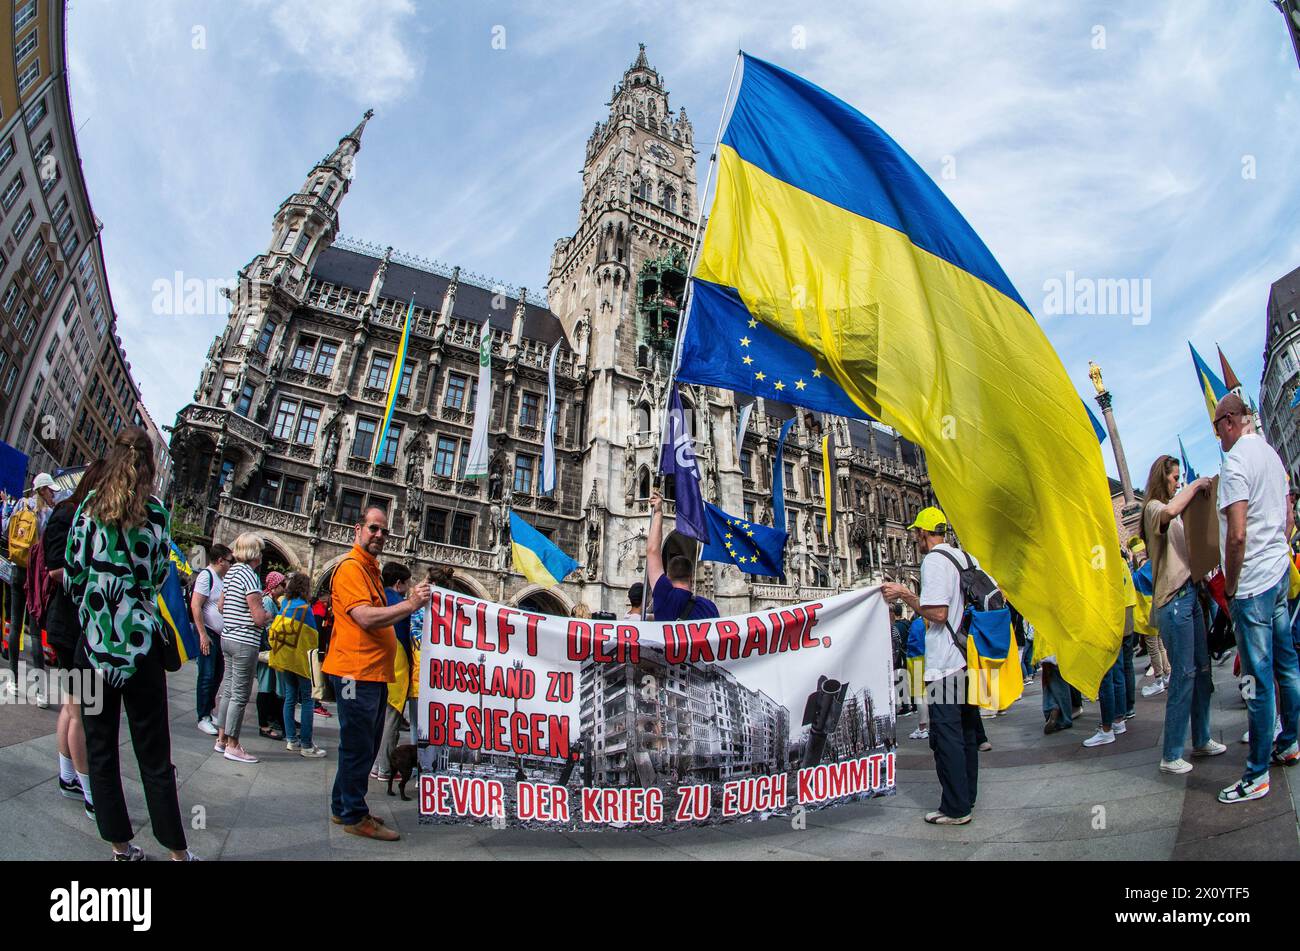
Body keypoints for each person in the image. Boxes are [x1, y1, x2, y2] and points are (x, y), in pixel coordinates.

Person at [64, 427, 197, 860]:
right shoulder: (156, 514)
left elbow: (73, 573)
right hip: (139, 648)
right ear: (149, 465)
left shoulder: (88, 507)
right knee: (155, 755)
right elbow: (159, 576)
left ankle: (122, 850)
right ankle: (178, 854)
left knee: (100, 749)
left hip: (94, 647)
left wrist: (96, 605)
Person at [323, 506, 430, 840]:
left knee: (363, 744)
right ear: (358, 530)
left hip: (372, 672)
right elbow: (366, 618)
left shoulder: (370, 570)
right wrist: (411, 605)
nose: (380, 535)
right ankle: (354, 815)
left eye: (384, 531)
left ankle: (345, 807)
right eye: (374, 528)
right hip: (355, 672)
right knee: (359, 745)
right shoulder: (352, 568)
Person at [1213, 393, 1300, 803]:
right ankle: (1291, 741)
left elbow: (1238, 532)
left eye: (1217, 427)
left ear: (1229, 421)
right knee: (1288, 664)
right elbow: (1288, 516)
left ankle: (1257, 773)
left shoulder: (1235, 464)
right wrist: (1279, 553)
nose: (1217, 436)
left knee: (1256, 680)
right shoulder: (1269, 454)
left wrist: (1231, 584)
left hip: (1250, 586)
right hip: (1279, 575)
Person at [882, 507, 978, 825]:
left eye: (916, 534)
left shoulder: (934, 560)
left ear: (923, 534)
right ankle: (967, 797)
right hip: (968, 657)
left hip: (945, 663)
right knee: (965, 732)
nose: (916, 539)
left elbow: (937, 613)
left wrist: (905, 593)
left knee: (946, 736)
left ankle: (955, 808)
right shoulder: (965, 558)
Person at [1140, 454, 1225, 773]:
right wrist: (1198, 484)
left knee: (1202, 670)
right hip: (1172, 600)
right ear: (1162, 478)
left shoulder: (1177, 515)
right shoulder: (1153, 509)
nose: (1178, 483)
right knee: (1184, 674)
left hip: (1191, 594)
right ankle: (1171, 753)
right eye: (1175, 478)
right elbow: (1171, 509)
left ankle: (1201, 738)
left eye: (1180, 478)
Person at [41, 459, 107, 821]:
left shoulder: (76, 513)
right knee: (82, 709)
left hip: (73, 624)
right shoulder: (69, 515)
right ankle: (91, 791)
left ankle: (68, 776)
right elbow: (54, 569)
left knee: (72, 705)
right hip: (69, 623)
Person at [213, 533, 273, 764]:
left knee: (228, 689)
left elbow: (220, 605)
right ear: (254, 553)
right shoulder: (249, 576)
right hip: (244, 641)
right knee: (240, 694)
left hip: (227, 637)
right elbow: (258, 618)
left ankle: (221, 739)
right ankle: (234, 744)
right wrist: (269, 615)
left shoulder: (231, 573)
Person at [3, 471, 56, 703]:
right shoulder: (48, 514)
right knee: (35, 631)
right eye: (50, 489)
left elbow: (5, 529)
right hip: (35, 575)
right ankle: (40, 691)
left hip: (16, 568)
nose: (53, 493)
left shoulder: (21, 505)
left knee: (15, 625)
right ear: (42, 490)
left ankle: (13, 681)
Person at [270, 572, 325, 757]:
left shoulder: (284, 604)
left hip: (285, 658)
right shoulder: (305, 608)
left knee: (290, 697)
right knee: (308, 700)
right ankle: (307, 745)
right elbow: (313, 637)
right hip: (301, 661)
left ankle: (291, 740)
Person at [647, 489, 719, 620]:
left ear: (667, 577)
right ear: (691, 577)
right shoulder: (709, 607)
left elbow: (652, 550)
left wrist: (658, 512)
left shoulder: (664, 597)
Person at [373, 561, 412, 783]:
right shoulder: (402, 606)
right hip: (396, 668)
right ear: (398, 584)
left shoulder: (376, 598)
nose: (408, 588)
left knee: (378, 719)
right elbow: (409, 640)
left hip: (374, 666)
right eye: (407, 584)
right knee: (391, 721)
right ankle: (385, 769)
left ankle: (375, 765)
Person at [189, 543, 232, 736]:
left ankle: (209, 709)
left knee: (217, 675)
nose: (231, 565)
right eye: (230, 561)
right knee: (206, 676)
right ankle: (202, 716)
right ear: (220, 560)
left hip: (219, 635)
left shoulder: (220, 578)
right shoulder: (206, 577)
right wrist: (202, 635)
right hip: (209, 633)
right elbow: (196, 605)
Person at [256, 570, 287, 740]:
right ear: (274, 586)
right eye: (282, 584)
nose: (284, 587)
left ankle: (271, 720)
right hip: (268, 652)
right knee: (265, 688)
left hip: (273, 652)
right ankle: (264, 725)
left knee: (270, 687)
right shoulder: (267, 601)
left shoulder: (273, 601)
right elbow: (267, 628)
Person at [904, 612, 927, 737]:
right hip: (930, 658)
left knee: (919, 695)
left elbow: (911, 643)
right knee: (928, 695)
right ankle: (926, 726)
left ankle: (922, 727)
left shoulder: (917, 623)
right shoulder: (931, 622)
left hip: (916, 658)